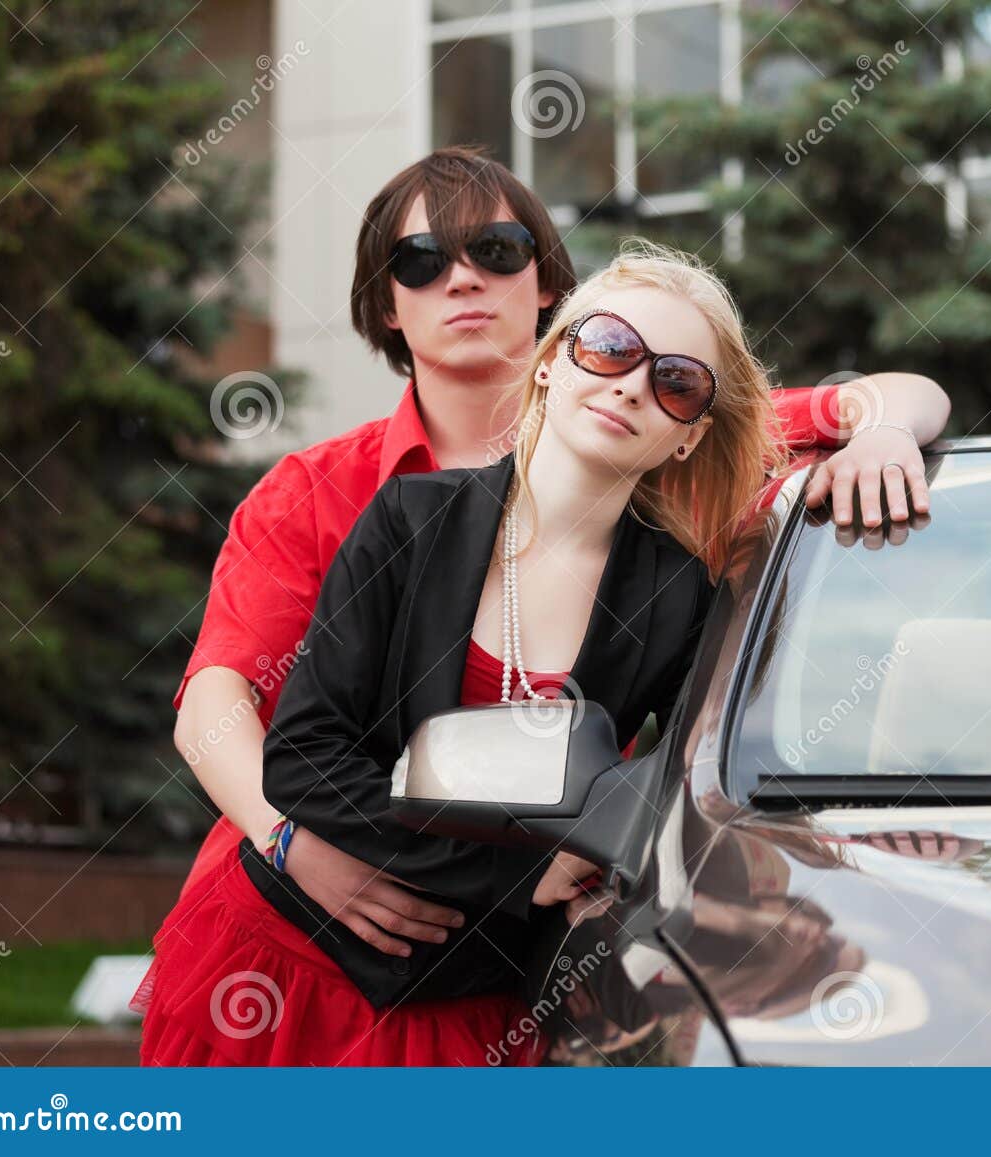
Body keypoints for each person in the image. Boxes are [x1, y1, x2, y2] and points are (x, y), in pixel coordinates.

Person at [162, 146, 949, 980]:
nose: (462, 279)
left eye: (496, 251)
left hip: (514, 954)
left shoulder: (639, 397)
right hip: (292, 921)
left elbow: (875, 398)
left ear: (548, 287)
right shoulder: (326, 490)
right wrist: (294, 843)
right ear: (386, 302)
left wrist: (885, 431)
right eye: (421, 260)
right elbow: (214, 705)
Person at [137, 242, 828, 1064]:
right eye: (610, 346)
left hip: (478, 1009)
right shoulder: (409, 519)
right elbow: (304, 758)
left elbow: (687, 796)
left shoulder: (679, 598)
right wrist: (514, 880)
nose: (632, 385)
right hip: (282, 971)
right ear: (551, 363)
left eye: (676, 382)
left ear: (689, 435)